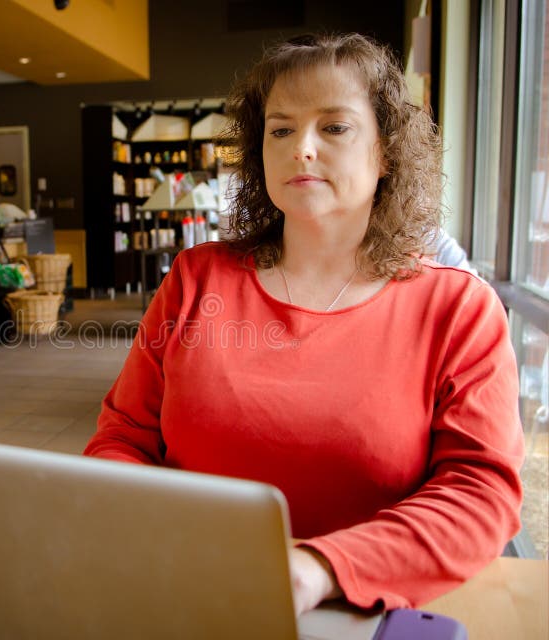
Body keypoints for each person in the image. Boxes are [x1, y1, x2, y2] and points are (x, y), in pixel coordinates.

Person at [84, 33, 523, 616]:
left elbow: (480, 492)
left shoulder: (457, 310)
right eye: (281, 129)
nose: (301, 149)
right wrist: (157, 538)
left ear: (386, 151)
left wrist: (320, 568)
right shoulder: (195, 279)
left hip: (364, 610)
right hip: (187, 593)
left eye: (334, 127)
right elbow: (121, 439)